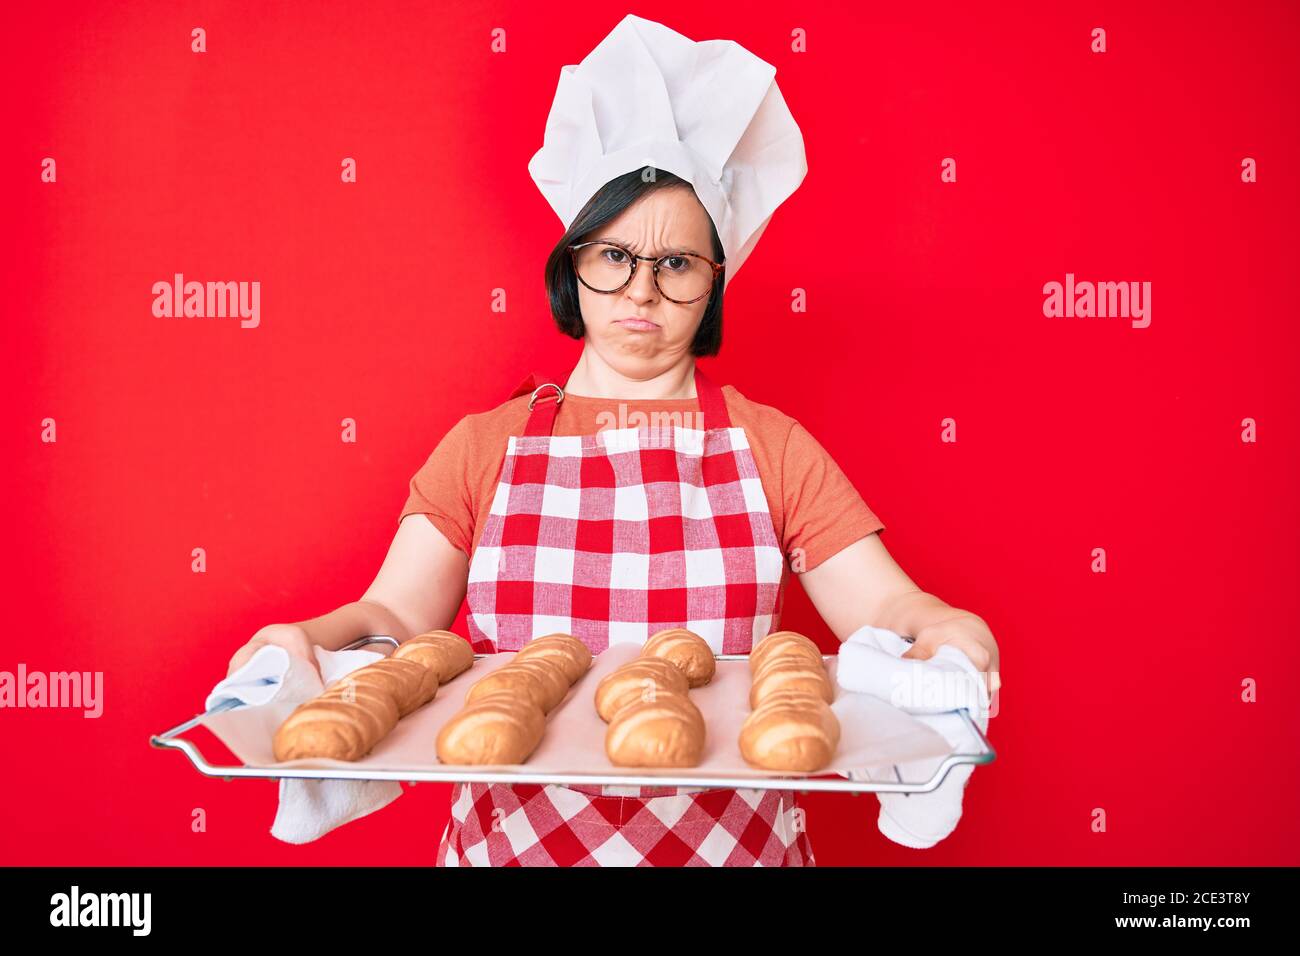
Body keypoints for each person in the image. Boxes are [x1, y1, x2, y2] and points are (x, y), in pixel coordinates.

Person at [227, 14, 1000, 866]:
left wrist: (943, 630)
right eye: (613, 255)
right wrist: (311, 640)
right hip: (507, 850)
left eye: (677, 264)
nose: (642, 292)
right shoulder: (483, 446)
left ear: (715, 281)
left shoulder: (772, 445)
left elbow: (885, 610)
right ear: (573, 264)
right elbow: (397, 617)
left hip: (736, 849)